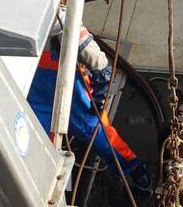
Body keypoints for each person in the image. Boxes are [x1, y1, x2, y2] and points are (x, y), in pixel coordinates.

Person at [26, 18, 151, 191]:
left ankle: (132, 166)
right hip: (34, 98)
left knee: (101, 136)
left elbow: (102, 68)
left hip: (73, 97)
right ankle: (47, 189)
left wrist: (99, 100)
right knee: (39, 146)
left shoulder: (58, 19)